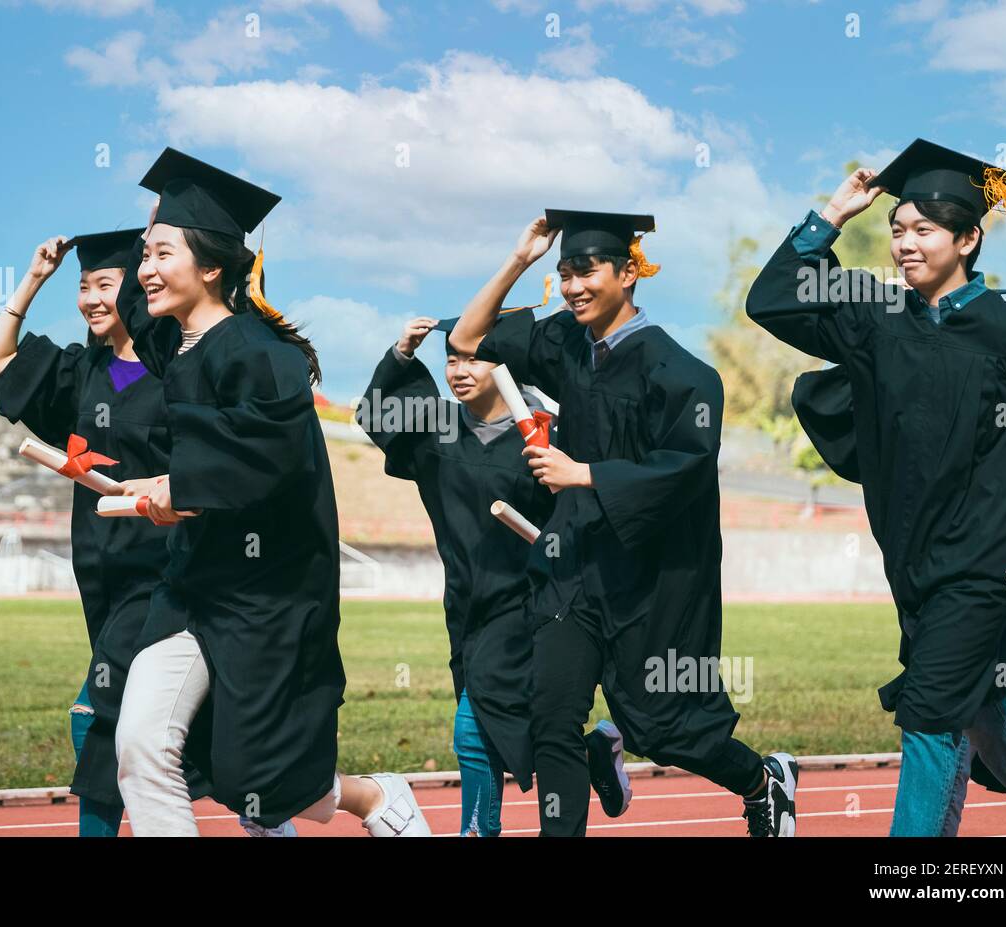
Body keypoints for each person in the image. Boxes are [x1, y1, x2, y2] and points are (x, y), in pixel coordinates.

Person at [447, 210, 798, 837]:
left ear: (629, 272)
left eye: (587, 270)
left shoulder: (683, 374)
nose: (575, 286)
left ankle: (759, 779)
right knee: (551, 718)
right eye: (566, 273)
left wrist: (585, 475)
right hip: (572, 568)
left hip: (650, 580)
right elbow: (469, 341)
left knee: (663, 728)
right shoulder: (563, 343)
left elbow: (686, 468)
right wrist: (520, 259)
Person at [112, 147, 431, 836]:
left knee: (258, 779)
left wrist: (183, 486)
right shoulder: (180, 344)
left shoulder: (262, 354)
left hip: (268, 596)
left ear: (213, 266)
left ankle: (372, 796)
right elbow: (135, 305)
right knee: (140, 742)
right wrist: (159, 221)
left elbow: (271, 459)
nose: (144, 270)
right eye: (143, 254)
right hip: (194, 587)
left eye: (163, 253)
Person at [746, 138, 1006, 836]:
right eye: (896, 229)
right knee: (977, 706)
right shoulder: (874, 320)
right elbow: (772, 299)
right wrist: (832, 215)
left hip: (986, 563)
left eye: (923, 229)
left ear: (970, 236)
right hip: (912, 560)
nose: (904, 243)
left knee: (930, 712)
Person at [361, 313, 633, 835]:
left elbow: (588, 513)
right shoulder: (436, 425)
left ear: (510, 362)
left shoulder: (546, 433)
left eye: (476, 357)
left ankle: (478, 829)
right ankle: (594, 751)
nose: (459, 369)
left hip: (534, 599)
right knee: (517, 722)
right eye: (452, 357)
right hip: (467, 601)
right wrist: (400, 356)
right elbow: (376, 415)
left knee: (472, 727)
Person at [0, 228, 173, 837]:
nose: (89, 298)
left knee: (96, 713)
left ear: (134, 291)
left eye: (103, 285)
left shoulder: (179, 372)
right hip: (100, 569)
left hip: (164, 568)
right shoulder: (82, 370)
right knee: (142, 727)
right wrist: (34, 277)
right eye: (82, 287)